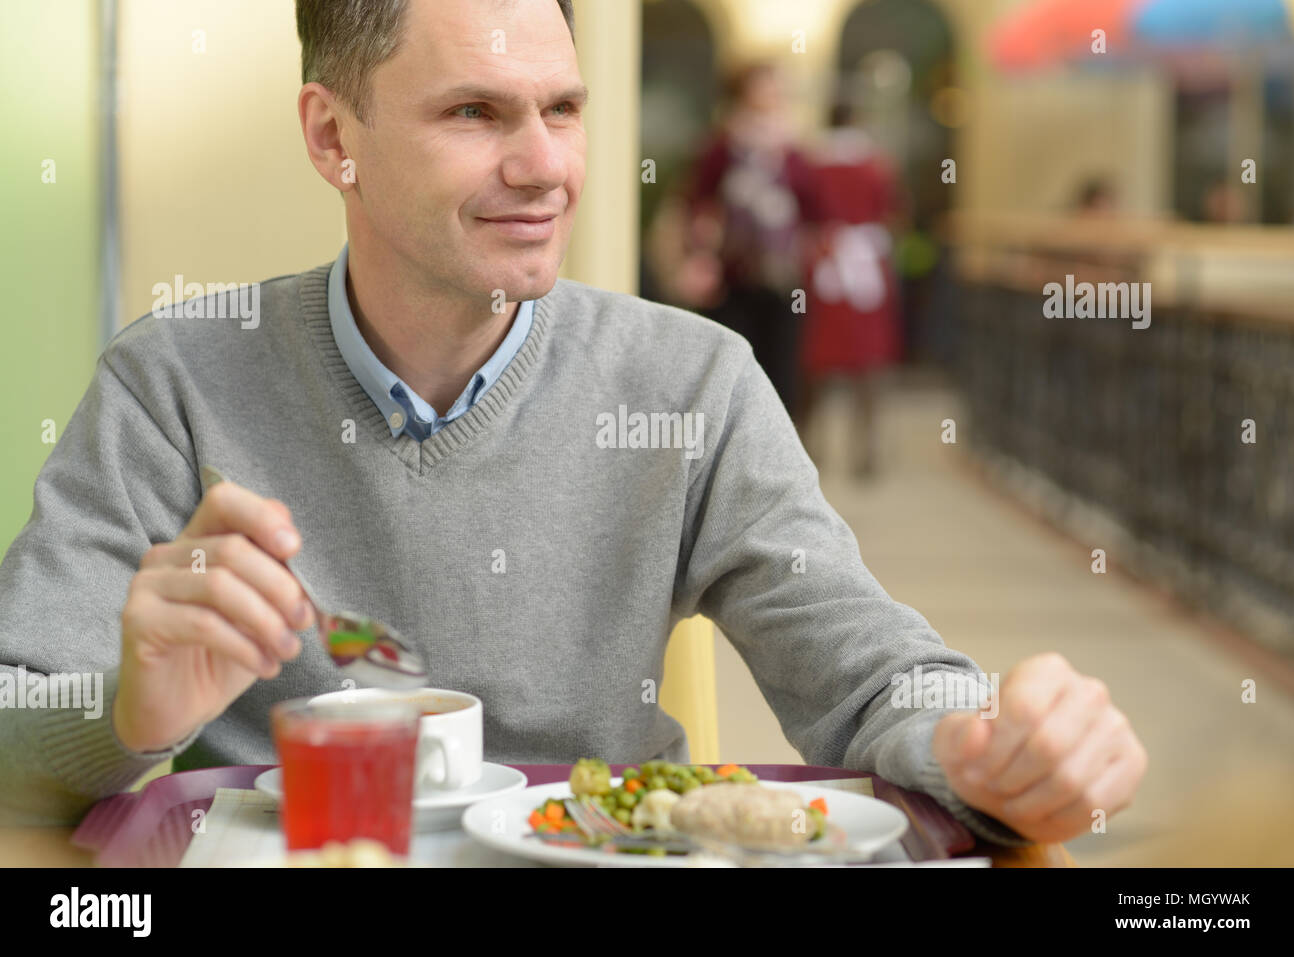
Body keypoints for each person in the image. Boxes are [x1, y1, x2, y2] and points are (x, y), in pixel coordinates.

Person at [0, 0, 1145, 846]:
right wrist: (124, 708)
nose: (544, 164)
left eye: (562, 109)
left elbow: (870, 674)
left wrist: (981, 741)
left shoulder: (692, 383)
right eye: (474, 113)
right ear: (330, 137)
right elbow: (18, 717)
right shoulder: (173, 381)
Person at [682, 61, 821, 416]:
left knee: (783, 363)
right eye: (764, 86)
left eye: (776, 87)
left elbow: (813, 205)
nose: (771, 95)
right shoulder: (724, 145)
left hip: (783, 273)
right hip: (734, 271)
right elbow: (698, 200)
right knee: (736, 358)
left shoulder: (792, 148)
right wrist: (700, 253)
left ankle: (781, 445)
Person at [797, 101, 904, 477]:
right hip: (865, 267)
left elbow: (803, 213)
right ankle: (867, 449)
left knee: (816, 360)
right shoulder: (875, 164)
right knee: (868, 360)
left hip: (825, 265)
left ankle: (809, 445)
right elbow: (891, 210)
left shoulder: (813, 164)